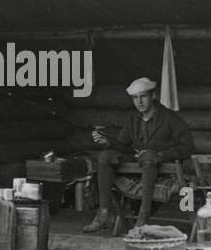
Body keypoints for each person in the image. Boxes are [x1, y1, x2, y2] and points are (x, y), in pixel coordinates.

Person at [82, 77, 195, 232]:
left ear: (153, 96)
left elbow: (188, 147)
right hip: (139, 164)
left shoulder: (169, 118)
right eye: (135, 98)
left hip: (163, 167)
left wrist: (161, 155)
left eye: (143, 96)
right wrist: (107, 142)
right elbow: (123, 146)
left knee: (148, 156)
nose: (139, 101)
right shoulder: (133, 119)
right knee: (105, 156)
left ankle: (143, 218)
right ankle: (103, 214)